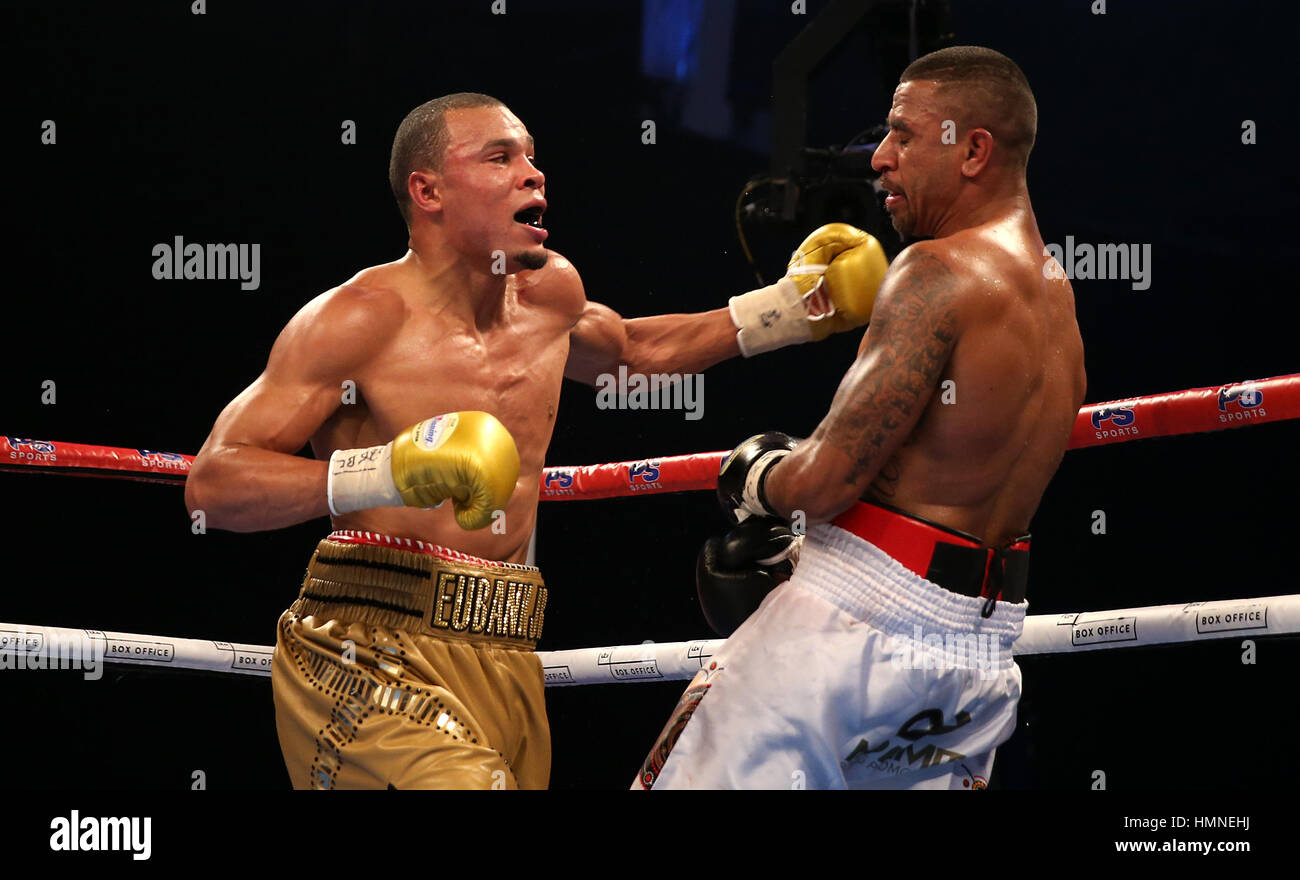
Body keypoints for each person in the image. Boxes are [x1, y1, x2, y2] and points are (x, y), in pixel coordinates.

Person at [184, 92, 887, 789]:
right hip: (368, 646)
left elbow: (635, 351)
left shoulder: (548, 295)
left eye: (531, 157)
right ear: (426, 190)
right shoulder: (358, 319)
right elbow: (215, 486)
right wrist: (389, 471)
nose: (533, 174)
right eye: (499, 157)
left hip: (509, 645)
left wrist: (792, 309)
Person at [638, 46, 1087, 790]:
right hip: (976, 658)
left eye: (904, 135)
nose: (879, 159)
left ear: (973, 150)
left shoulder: (935, 270)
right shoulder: (1056, 297)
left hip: (854, 629)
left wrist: (756, 478)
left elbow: (827, 479)